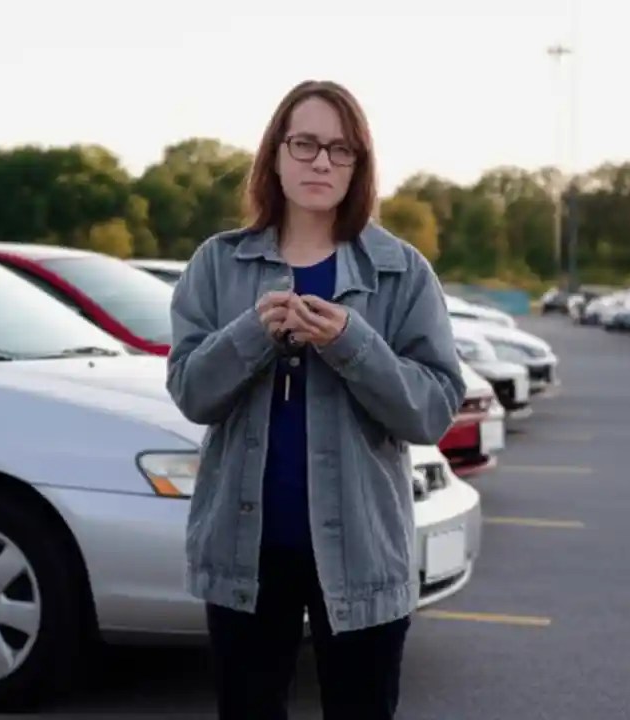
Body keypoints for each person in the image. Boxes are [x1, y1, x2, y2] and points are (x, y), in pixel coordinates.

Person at [165, 80, 465, 720]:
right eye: (304, 144)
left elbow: (434, 409)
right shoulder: (218, 264)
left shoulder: (401, 271)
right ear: (275, 154)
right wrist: (251, 334)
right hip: (245, 555)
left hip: (361, 553)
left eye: (340, 149)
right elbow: (191, 393)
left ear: (359, 164)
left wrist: (353, 344)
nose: (321, 162)